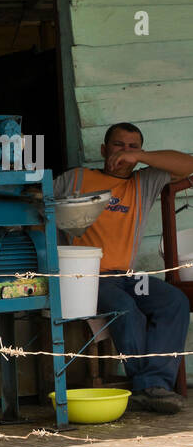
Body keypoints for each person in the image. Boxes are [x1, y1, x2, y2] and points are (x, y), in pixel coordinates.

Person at [54, 122, 193, 414]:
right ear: (104, 150)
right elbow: (39, 207)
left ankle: (153, 384)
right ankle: (148, 387)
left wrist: (140, 158)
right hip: (86, 278)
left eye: (133, 147)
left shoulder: (143, 182)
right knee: (124, 306)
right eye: (119, 146)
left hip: (129, 277)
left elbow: (188, 165)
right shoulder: (76, 179)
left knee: (174, 301)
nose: (125, 153)